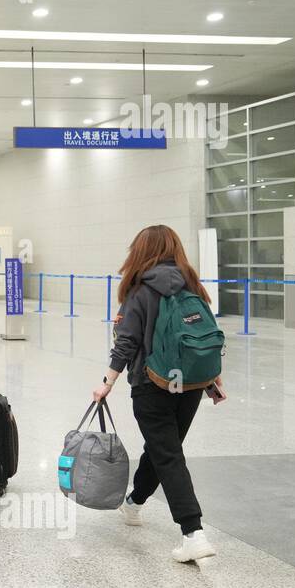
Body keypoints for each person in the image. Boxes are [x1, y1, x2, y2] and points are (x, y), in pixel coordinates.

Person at [92, 224, 223, 563]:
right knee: (165, 447)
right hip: (188, 385)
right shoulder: (192, 284)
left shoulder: (140, 291)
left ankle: (193, 532)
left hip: (153, 384)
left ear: (140, 251)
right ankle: (135, 503)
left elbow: (127, 342)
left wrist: (106, 383)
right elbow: (203, 337)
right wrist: (212, 382)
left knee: (167, 453)